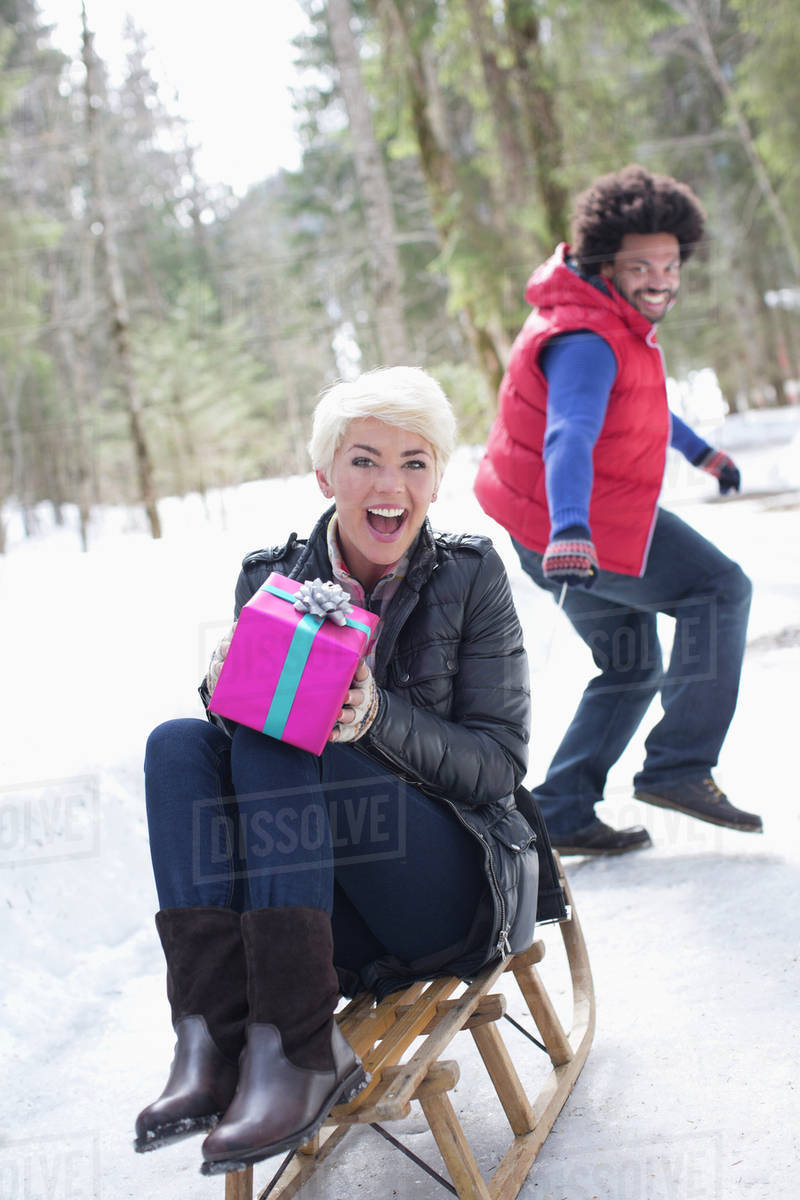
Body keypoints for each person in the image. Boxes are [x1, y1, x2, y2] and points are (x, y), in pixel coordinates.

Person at [134, 366, 538, 1175]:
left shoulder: (470, 575)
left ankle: (298, 1047)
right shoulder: (270, 579)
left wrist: (376, 718)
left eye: (414, 462)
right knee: (176, 744)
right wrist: (226, 694)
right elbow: (238, 771)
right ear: (325, 475)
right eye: (364, 461)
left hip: (449, 892)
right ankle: (211, 1034)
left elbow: (499, 766)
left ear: (436, 480)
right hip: (317, 924)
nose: (390, 485)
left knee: (297, 739)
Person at [475, 164, 761, 857]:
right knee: (720, 588)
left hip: (547, 526)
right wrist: (572, 528)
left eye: (670, 265)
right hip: (577, 524)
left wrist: (702, 454)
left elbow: (639, 404)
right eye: (641, 267)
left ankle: (564, 808)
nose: (660, 281)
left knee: (631, 666)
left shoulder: (602, 316)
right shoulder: (586, 339)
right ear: (607, 263)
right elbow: (568, 434)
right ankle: (680, 766)